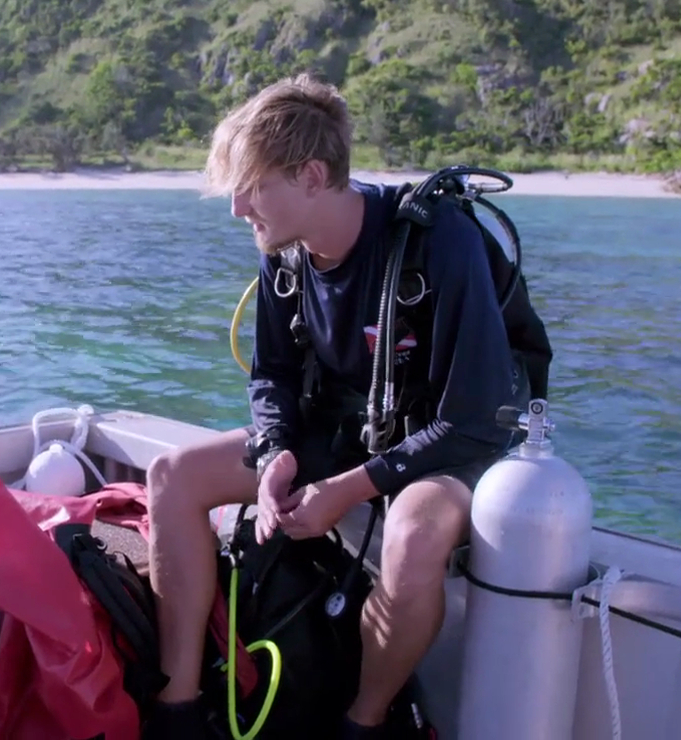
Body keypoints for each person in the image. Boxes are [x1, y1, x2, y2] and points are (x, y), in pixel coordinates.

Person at [142, 72, 551, 739]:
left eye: (252, 187)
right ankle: (178, 705)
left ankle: (359, 722)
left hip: (449, 441)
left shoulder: (436, 242)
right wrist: (275, 451)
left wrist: (347, 489)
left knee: (412, 534)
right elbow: (273, 372)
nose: (237, 208)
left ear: (310, 175)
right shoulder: (283, 253)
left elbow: (473, 418)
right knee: (173, 476)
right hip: (346, 426)